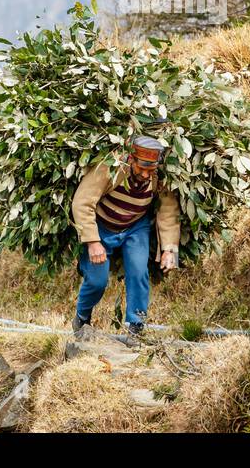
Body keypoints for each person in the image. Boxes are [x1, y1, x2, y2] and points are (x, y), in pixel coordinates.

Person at [71, 135, 180, 337]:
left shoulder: (159, 177)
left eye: (151, 170)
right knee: (97, 281)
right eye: (142, 168)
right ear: (131, 159)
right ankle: (82, 317)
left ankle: (136, 326)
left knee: (139, 272)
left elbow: (168, 210)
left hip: (135, 228)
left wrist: (169, 249)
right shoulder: (110, 167)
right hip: (102, 226)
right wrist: (93, 242)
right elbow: (82, 202)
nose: (146, 175)